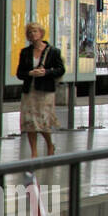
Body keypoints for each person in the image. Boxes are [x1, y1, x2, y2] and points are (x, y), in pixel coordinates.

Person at [16, 22, 65, 157]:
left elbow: (61, 70)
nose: (33, 34)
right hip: (29, 90)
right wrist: (29, 73)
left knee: (42, 120)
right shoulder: (25, 52)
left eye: (35, 31)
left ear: (41, 33)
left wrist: (46, 72)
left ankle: (49, 144)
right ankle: (34, 152)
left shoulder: (53, 52)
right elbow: (20, 73)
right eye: (30, 32)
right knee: (30, 121)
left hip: (45, 91)